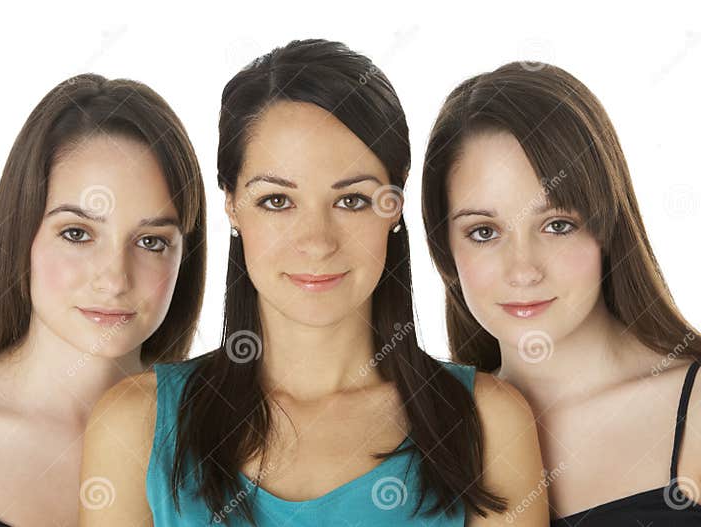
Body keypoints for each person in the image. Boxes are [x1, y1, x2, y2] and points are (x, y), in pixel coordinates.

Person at [80, 40, 547, 526]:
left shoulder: (489, 424)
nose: (317, 242)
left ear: (395, 203)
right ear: (231, 204)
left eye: (352, 201)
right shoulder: (134, 425)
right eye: (278, 201)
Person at [421, 61, 701, 524]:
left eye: (557, 225)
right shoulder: (430, 439)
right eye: (484, 232)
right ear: (444, 249)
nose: (523, 269)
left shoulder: (693, 410)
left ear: (607, 225)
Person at [0, 73, 206, 526]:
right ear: (22, 235)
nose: (115, 279)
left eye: (152, 241)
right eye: (77, 234)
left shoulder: (223, 434)